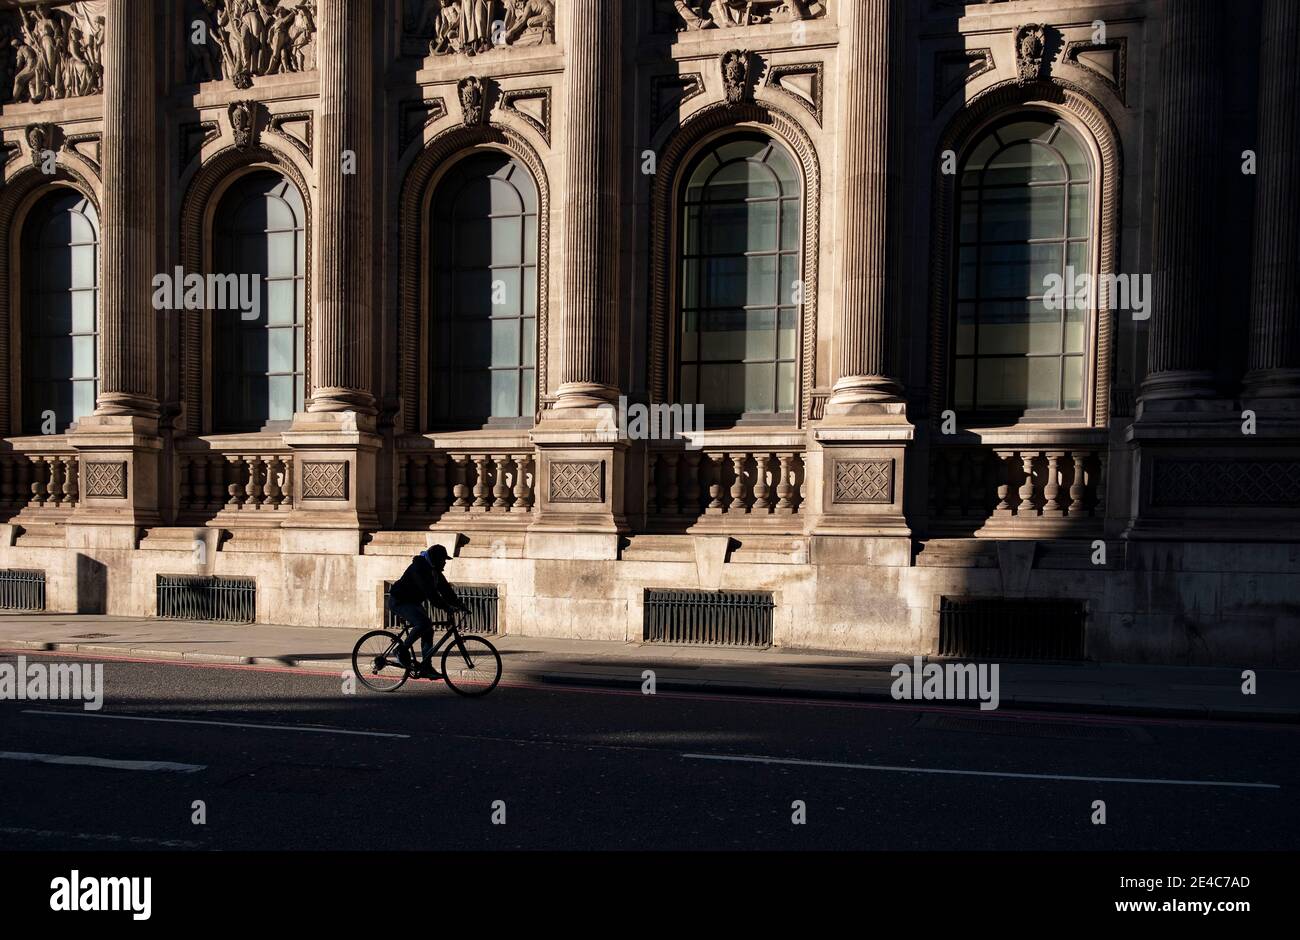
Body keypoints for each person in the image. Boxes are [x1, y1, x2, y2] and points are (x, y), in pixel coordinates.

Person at [388, 544, 466, 676]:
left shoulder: (434, 571)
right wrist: (446, 607)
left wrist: (460, 605)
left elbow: (446, 591)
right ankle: (401, 650)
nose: (445, 563)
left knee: (428, 630)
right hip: (399, 601)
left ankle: (426, 666)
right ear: (435, 559)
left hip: (412, 602)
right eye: (443, 560)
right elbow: (431, 594)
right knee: (423, 623)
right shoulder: (419, 568)